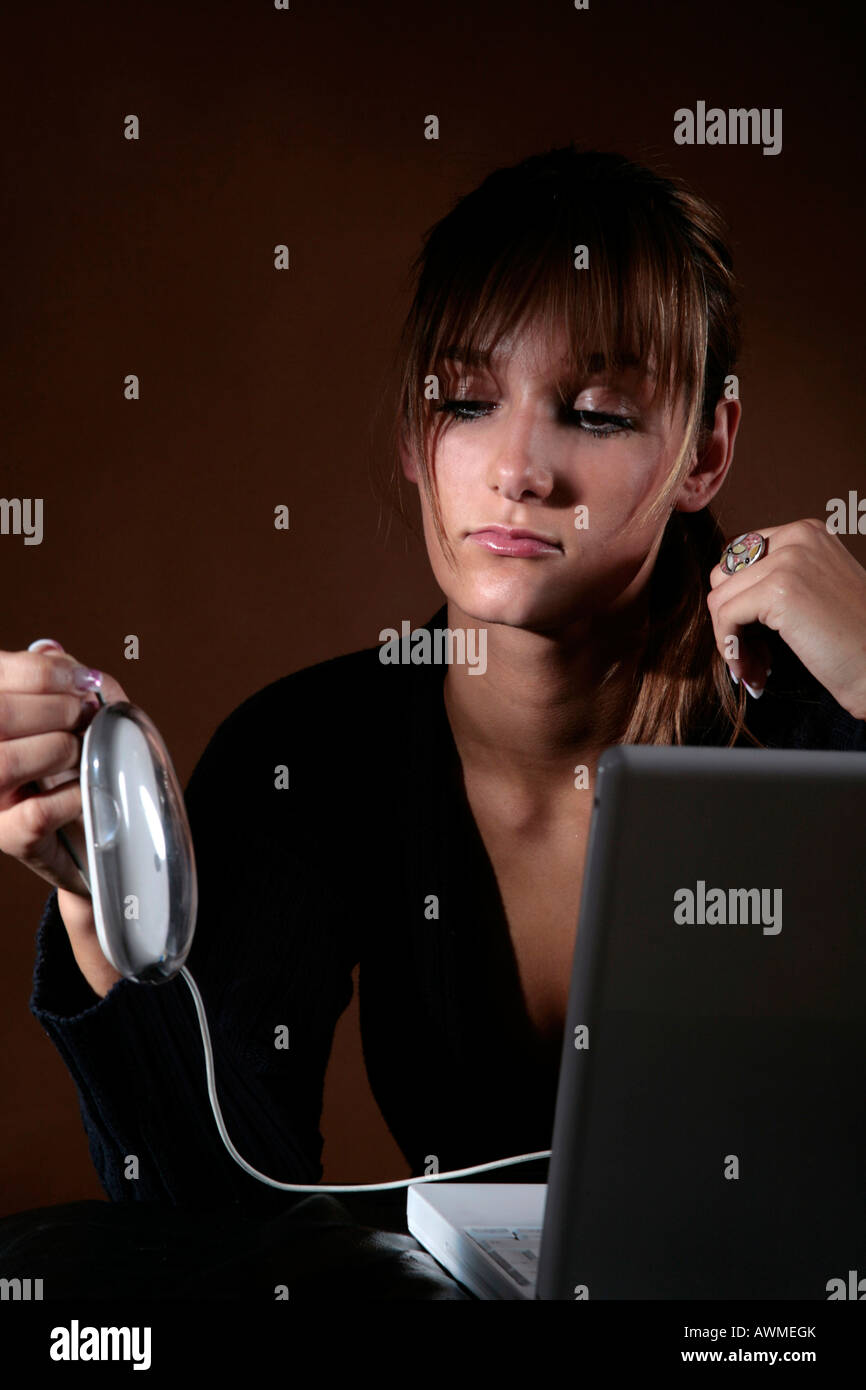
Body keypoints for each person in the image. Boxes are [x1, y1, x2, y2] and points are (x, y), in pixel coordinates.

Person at [3, 145, 866, 1220]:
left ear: (704, 452)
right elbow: (224, 1219)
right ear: (417, 436)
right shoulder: (306, 758)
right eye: (464, 399)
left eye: (594, 411)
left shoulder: (818, 729)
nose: (517, 469)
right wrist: (105, 919)